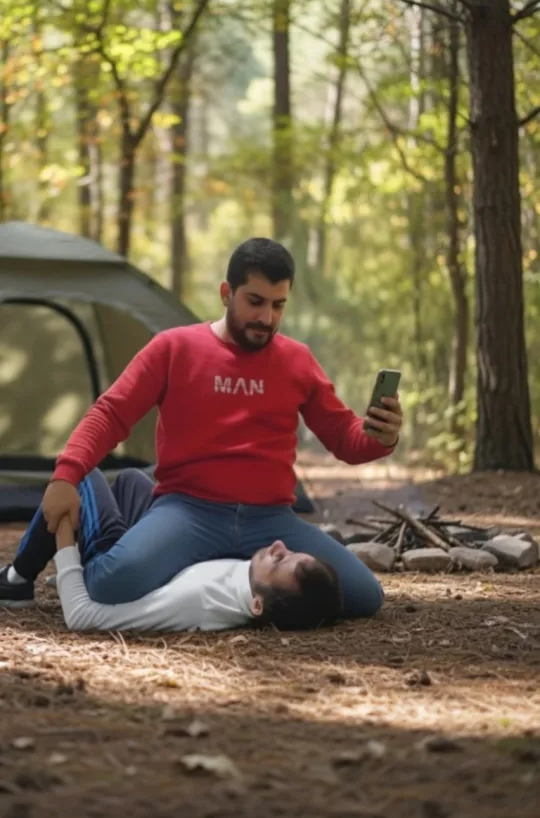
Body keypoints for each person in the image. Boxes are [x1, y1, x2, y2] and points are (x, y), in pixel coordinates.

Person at [0, 238, 403, 620]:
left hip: (272, 522)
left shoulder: (297, 360)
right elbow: (111, 413)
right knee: (110, 585)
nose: (267, 318)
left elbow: (344, 438)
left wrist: (379, 437)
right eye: (255, 302)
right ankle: (83, 545)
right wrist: (67, 473)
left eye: (279, 305)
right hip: (189, 510)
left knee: (364, 597)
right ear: (226, 293)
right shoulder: (174, 348)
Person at [0, 469, 342, 632]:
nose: (278, 546)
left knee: (78, 476)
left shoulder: (198, 597)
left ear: (257, 604)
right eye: (290, 550)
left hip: (106, 569)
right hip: (150, 563)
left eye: (279, 560)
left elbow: (82, 617)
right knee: (132, 480)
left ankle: (18, 577)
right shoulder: (244, 584)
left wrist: (65, 545)